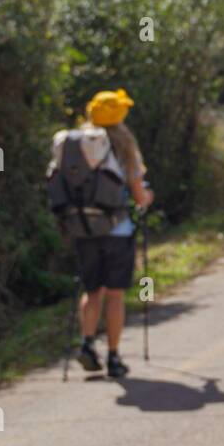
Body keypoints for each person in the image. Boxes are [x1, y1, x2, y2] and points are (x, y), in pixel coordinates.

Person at [74, 88, 153, 378]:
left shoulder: (77, 144)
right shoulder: (124, 146)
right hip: (117, 230)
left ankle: (86, 343)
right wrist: (146, 198)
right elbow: (139, 195)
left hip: (83, 228)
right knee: (115, 295)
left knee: (92, 290)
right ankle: (114, 357)